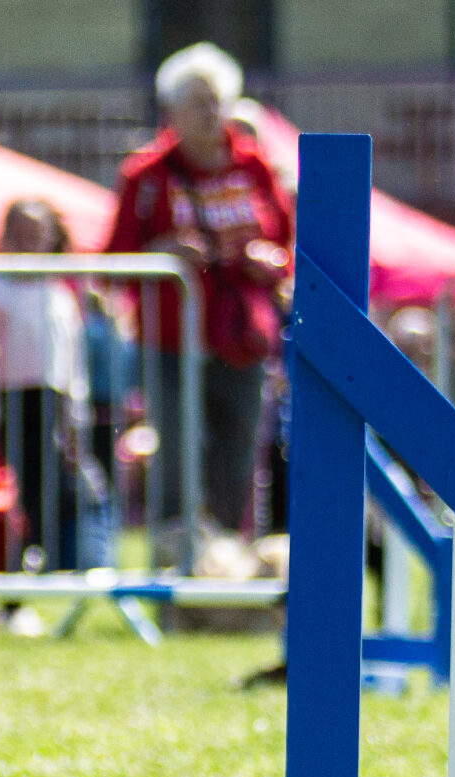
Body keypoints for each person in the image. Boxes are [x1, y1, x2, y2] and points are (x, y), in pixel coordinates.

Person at [105, 42, 291, 541]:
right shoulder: (145, 175)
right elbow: (114, 262)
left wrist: (266, 259)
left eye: (217, 100)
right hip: (171, 339)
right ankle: (177, 554)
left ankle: (229, 552)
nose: (211, 113)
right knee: (179, 450)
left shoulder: (255, 166)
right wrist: (163, 253)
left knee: (239, 445)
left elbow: (287, 243)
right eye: (197, 102)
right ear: (172, 112)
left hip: (241, 337)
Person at [0, 197, 102, 580]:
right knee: (15, 498)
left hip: (50, 405)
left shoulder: (59, 294)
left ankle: (45, 565)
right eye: (19, 234)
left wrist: (77, 414)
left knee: (53, 494)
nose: (28, 242)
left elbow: (72, 362)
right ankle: (9, 574)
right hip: (8, 406)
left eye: (36, 234)